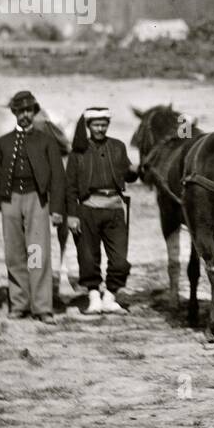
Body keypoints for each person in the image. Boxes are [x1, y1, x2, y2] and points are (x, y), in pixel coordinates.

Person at [0, 90, 66, 323]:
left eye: (29, 111)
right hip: (10, 201)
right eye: (20, 111)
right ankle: (19, 304)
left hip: (37, 200)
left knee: (37, 252)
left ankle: (42, 307)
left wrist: (56, 209)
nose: (25, 115)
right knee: (14, 254)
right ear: (14, 113)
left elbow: (57, 177)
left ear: (34, 112)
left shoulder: (47, 141)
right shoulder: (3, 143)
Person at [64, 107, 138, 314]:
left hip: (114, 209)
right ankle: (94, 297)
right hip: (87, 210)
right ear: (88, 126)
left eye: (103, 125)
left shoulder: (118, 146)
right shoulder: (78, 151)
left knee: (120, 260)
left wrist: (135, 170)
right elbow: (69, 186)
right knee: (88, 256)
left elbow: (128, 174)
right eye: (96, 125)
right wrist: (71, 215)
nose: (100, 129)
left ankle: (111, 297)